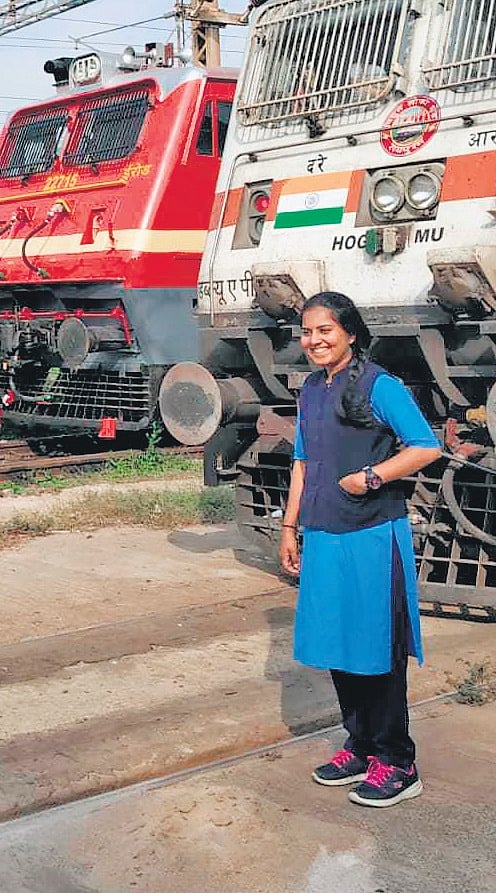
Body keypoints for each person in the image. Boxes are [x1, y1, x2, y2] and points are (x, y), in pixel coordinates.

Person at [280, 291, 441, 808]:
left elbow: (425, 445)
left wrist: (372, 476)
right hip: (324, 532)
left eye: (324, 330)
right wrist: (289, 526)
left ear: (350, 332)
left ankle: (397, 760)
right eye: (307, 332)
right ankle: (361, 744)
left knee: (377, 647)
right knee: (337, 643)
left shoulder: (381, 386)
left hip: (373, 533)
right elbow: (302, 461)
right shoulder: (310, 389)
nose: (314, 340)